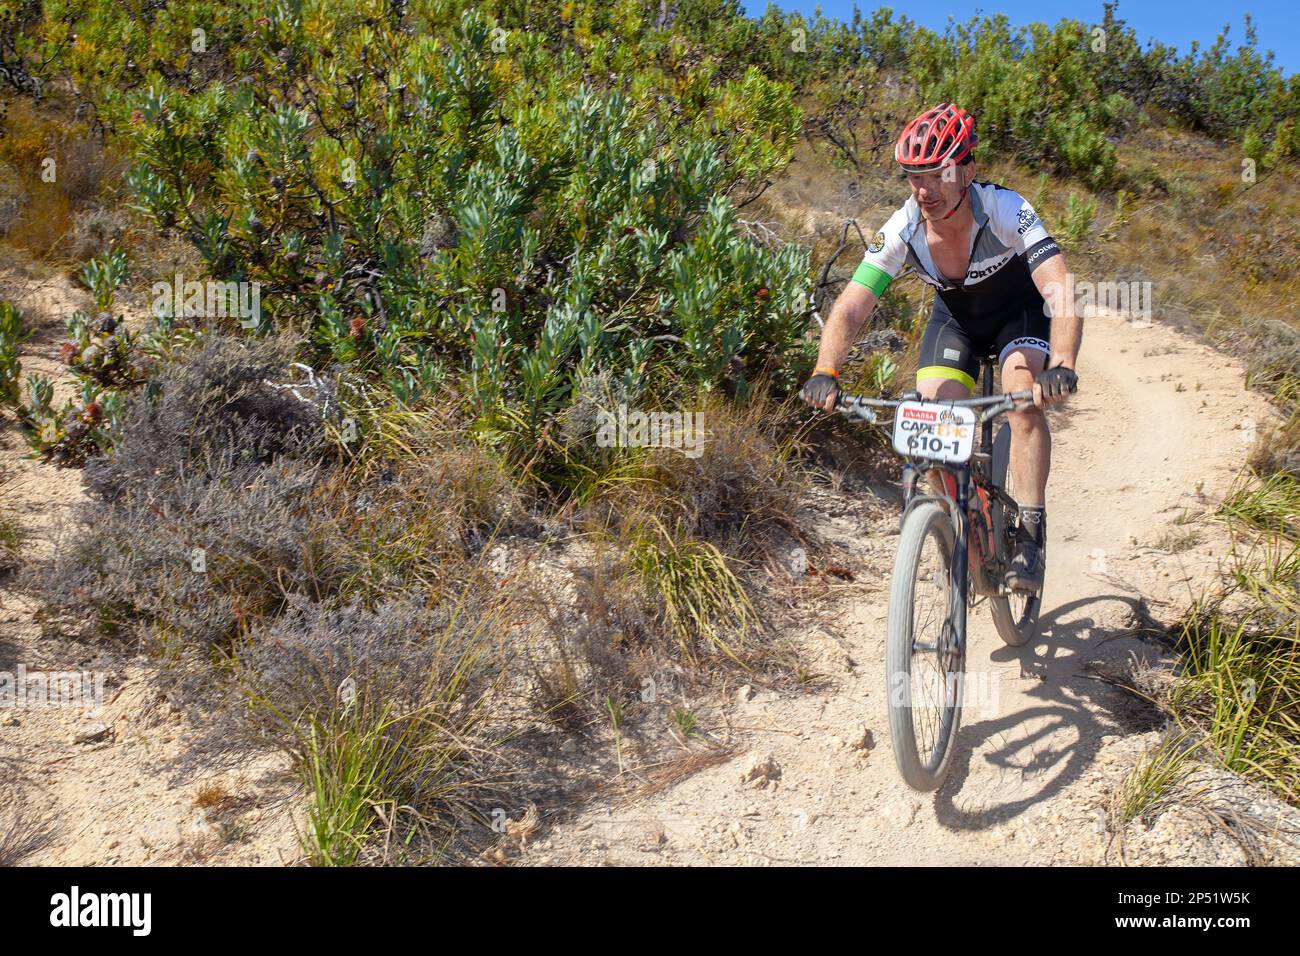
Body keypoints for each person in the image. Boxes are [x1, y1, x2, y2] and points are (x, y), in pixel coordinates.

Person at [801, 103, 1081, 591]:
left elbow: (1058, 286)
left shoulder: (1006, 210)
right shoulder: (904, 226)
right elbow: (850, 308)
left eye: (936, 174)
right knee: (930, 421)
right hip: (956, 322)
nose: (922, 189)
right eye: (913, 176)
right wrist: (826, 370)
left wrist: (1061, 364)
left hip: (1019, 315)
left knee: (1022, 398)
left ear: (967, 170)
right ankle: (963, 538)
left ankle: (1031, 535)